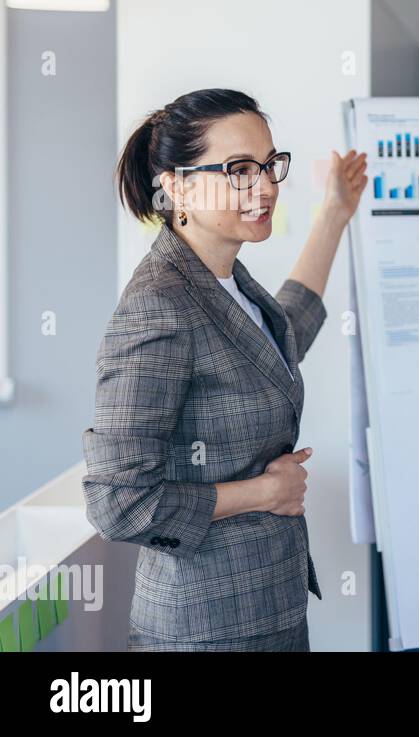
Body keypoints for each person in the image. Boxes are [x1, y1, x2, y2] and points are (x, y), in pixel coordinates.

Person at [81, 88, 367, 650]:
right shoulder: (158, 304)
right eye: (238, 170)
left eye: (268, 166)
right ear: (178, 185)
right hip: (205, 630)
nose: (263, 187)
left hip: (269, 614)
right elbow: (118, 503)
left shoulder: (226, 281)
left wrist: (334, 211)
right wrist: (263, 492)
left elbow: (286, 335)